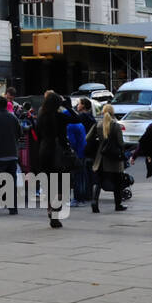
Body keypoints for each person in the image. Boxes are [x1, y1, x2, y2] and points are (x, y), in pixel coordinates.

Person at [36, 91, 80, 228]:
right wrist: (67, 106)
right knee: (63, 185)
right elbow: (77, 119)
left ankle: (51, 208)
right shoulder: (60, 116)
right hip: (59, 152)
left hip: (44, 151)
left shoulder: (41, 116)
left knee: (49, 183)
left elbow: (37, 134)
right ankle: (55, 210)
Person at [86, 104, 127, 213]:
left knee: (98, 182)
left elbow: (87, 138)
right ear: (113, 113)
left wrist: (99, 142)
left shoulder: (98, 125)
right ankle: (118, 205)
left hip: (101, 158)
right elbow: (121, 143)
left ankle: (94, 202)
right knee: (117, 182)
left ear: (103, 112)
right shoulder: (116, 126)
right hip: (114, 159)